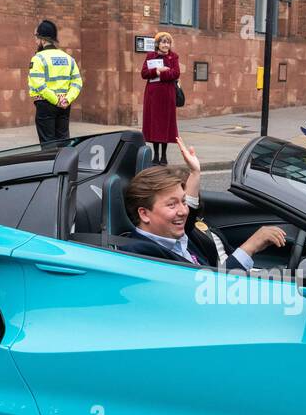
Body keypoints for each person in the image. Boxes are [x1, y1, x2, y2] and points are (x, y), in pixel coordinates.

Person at [120, 138, 285, 270]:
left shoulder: (174, 233)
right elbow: (211, 290)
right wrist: (251, 245)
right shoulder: (144, 255)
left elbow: (190, 210)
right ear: (144, 213)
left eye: (183, 201)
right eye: (172, 205)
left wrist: (195, 173)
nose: (183, 211)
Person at [27, 20, 82, 143]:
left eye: (37, 37)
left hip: (45, 105)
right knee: (63, 142)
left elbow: (39, 85)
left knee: (48, 145)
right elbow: (77, 82)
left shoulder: (38, 59)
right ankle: (65, 163)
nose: (36, 41)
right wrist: (67, 99)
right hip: (64, 106)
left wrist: (55, 100)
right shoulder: (68, 59)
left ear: (43, 39)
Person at [140, 31, 180, 163]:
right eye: (163, 42)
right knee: (154, 126)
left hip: (167, 96)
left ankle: (164, 156)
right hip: (153, 96)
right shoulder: (150, 56)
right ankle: (155, 155)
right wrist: (157, 71)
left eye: (168, 42)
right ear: (158, 44)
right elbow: (144, 73)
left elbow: (176, 73)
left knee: (165, 125)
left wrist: (162, 75)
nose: (165, 45)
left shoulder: (173, 57)